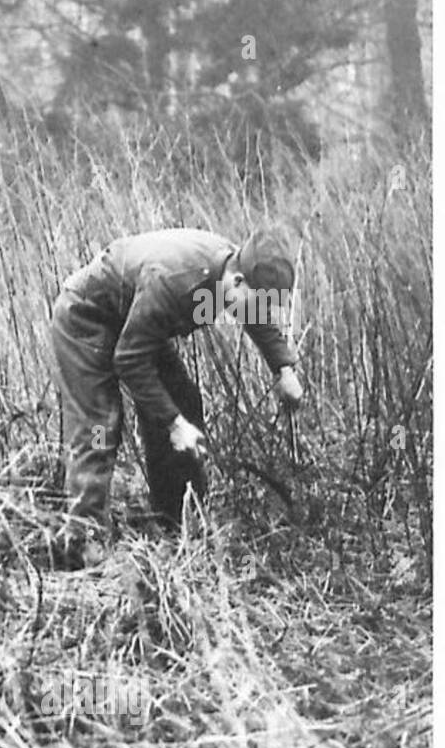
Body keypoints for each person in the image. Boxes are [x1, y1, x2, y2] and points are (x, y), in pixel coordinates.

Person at [48, 226, 305, 568]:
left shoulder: (230, 274)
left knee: (183, 400)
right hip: (87, 320)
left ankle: (174, 520)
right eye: (259, 302)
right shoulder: (176, 283)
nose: (257, 312)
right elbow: (129, 360)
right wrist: (173, 424)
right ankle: (83, 539)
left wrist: (283, 368)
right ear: (239, 282)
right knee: (99, 429)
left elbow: (252, 312)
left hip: (134, 322)